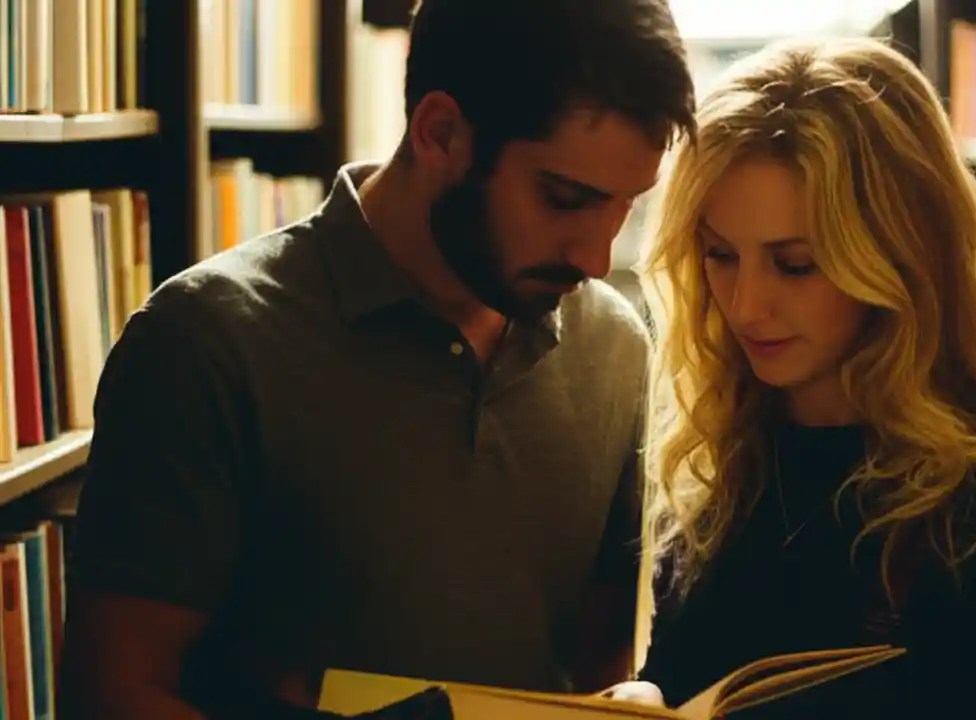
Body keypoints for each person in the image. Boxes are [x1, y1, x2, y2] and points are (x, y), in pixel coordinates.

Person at [58, 0, 696, 717]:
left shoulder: (613, 344)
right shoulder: (203, 341)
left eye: (626, 206)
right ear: (440, 133)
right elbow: (112, 694)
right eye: (564, 198)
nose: (596, 256)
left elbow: (588, 675)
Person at [620, 37, 976, 718]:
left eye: (795, 263)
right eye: (720, 256)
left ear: (898, 259)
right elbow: (680, 675)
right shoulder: (722, 466)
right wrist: (646, 700)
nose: (745, 304)